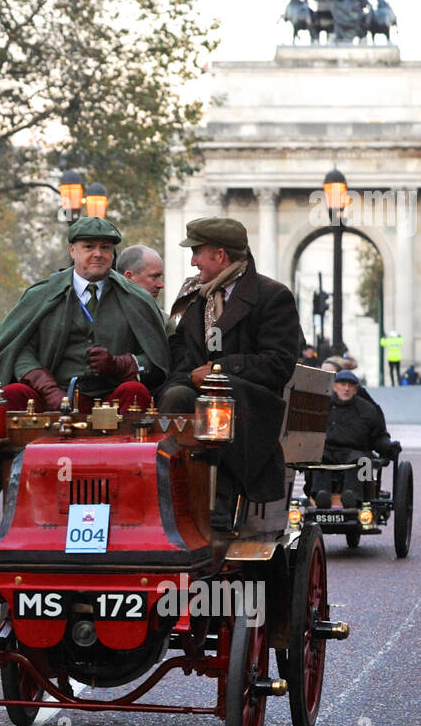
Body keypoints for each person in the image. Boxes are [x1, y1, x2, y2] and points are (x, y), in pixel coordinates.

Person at [159, 217, 301, 506]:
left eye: (197, 253)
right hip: (199, 394)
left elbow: (278, 364)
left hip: (251, 405)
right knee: (175, 396)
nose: (193, 262)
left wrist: (218, 371)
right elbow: (181, 354)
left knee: (218, 399)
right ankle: (176, 493)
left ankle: (222, 497)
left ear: (220, 255)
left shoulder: (272, 296)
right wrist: (176, 384)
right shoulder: (195, 298)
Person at [0, 215, 169, 415]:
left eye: (105, 247)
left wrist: (119, 364)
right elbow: (18, 349)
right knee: (12, 394)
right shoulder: (42, 295)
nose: (98, 254)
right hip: (51, 401)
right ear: (73, 251)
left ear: (113, 254)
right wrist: (47, 388)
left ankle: (125, 447)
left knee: (135, 392)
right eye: (89, 247)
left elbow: (157, 359)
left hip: (112, 398)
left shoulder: (136, 298)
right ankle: (11, 449)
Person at [307, 369, 400, 509]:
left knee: (362, 462)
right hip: (328, 452)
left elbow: (378, 436)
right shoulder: (321, 407)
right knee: (317, 459)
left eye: (350, 385)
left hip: (358, 453)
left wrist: (388, 446)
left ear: (356, 389)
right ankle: (321, 495)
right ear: (334, 387)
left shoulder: (367, 410)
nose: (346, 388)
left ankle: (353, 498)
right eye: (342, 384)